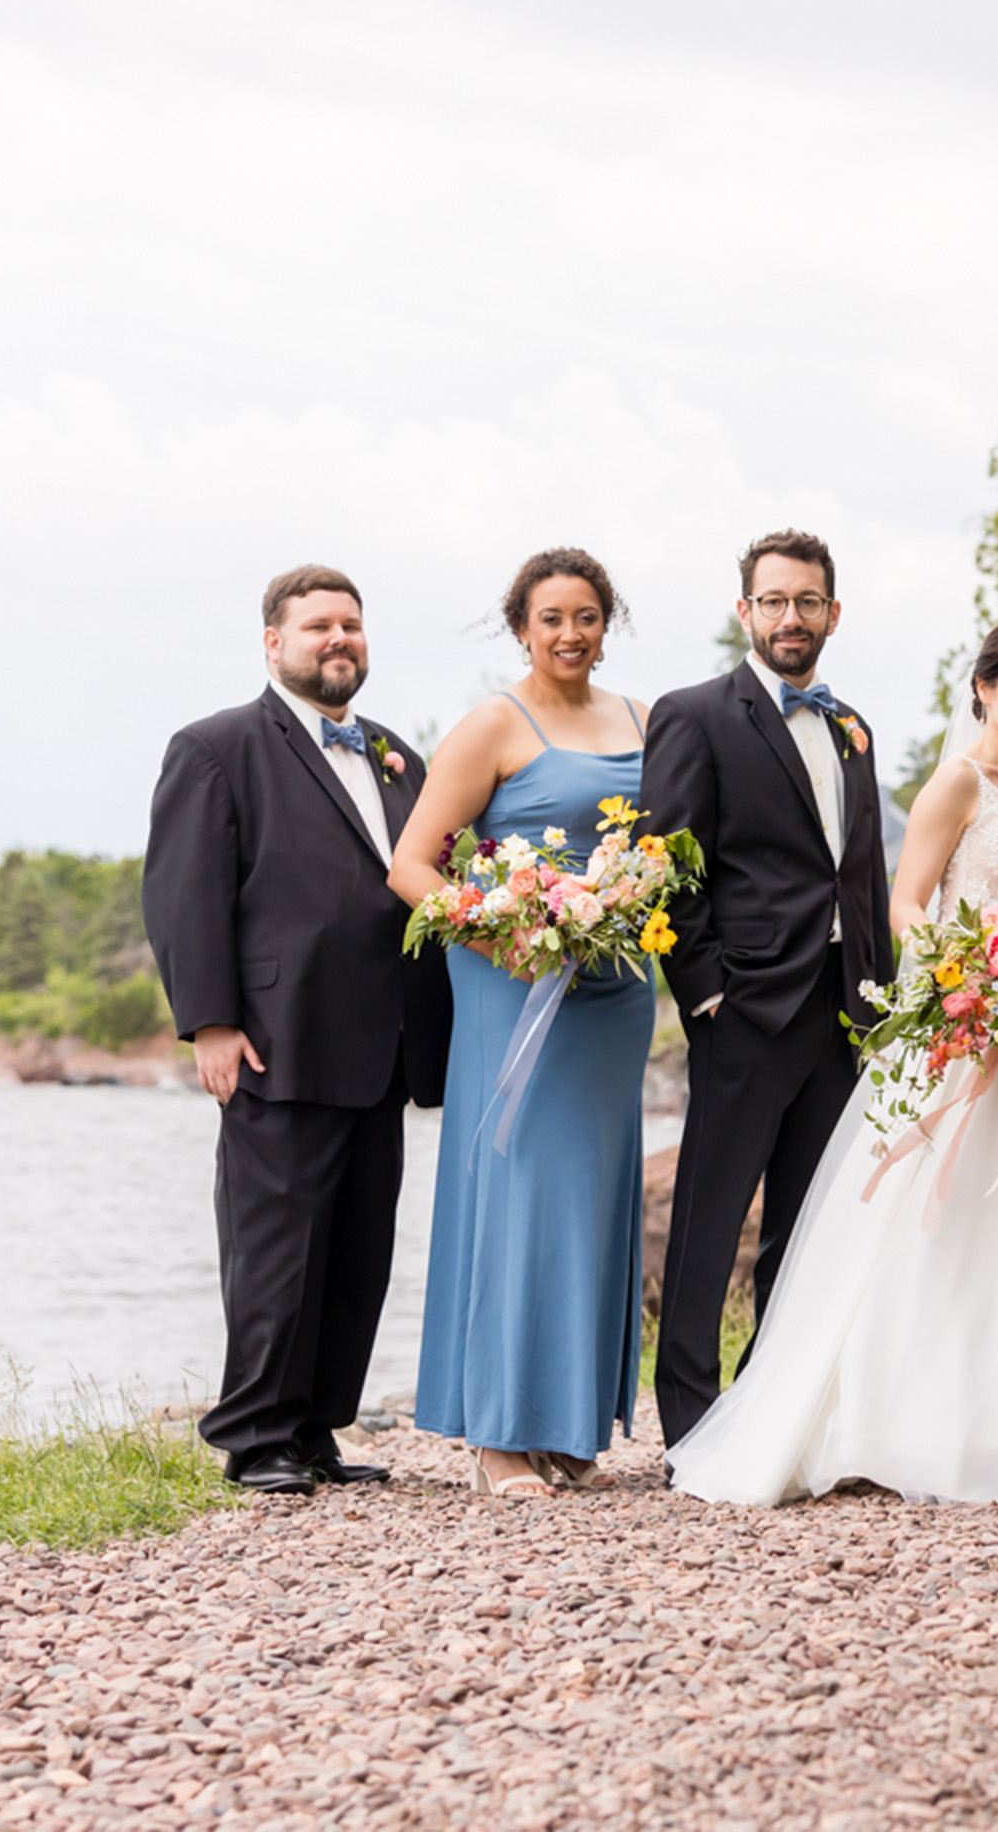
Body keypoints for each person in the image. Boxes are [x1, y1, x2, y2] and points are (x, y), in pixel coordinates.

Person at [665, 617, 998, 1504]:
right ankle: (903, 1423)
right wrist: (976, 980)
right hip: (965, 1027)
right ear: (983, 687)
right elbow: (907, 906)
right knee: (938, 1227)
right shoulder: (958, 782)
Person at [141, 565, 453, 1497]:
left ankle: (315, 1427)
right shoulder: (215, 748)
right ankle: (257, 1435)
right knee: (276, 1243)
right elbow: (184, 895)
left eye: (351, 625)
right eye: (318, 626)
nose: (339, 639)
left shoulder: (398, 754)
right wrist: (211, 1022)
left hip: (383, 1041)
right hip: (277, 1035)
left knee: (359, 1246)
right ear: (273, 643)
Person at [388, 549, 653, 1499]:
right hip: (513, 979)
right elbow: (412, 867)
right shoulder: (491, 726)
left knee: (590, 1188)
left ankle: (571, 1422)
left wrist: (629, 899)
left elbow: (659, 842)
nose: (570, 634)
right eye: (551, 619)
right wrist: (508, 933)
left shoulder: (642, 720)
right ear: (521, 629)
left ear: (604, 622)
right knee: (516, 1186)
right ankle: (498, 1433)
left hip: (616, 983)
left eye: (586, 617)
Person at [637, 529, 896, 1450]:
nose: (794, 617)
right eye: (775, 601)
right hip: (744, 1006)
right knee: (710, 1223)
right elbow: (668, 862)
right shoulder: (694, 713)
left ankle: (770, 1414)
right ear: (744, 611)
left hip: (843, 1006)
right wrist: (704, 991)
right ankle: (690, 1426)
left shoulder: (852, 727)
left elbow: (856, 873)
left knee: (803, 1228)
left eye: (809, 602)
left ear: (833, 612)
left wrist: (884, 996)